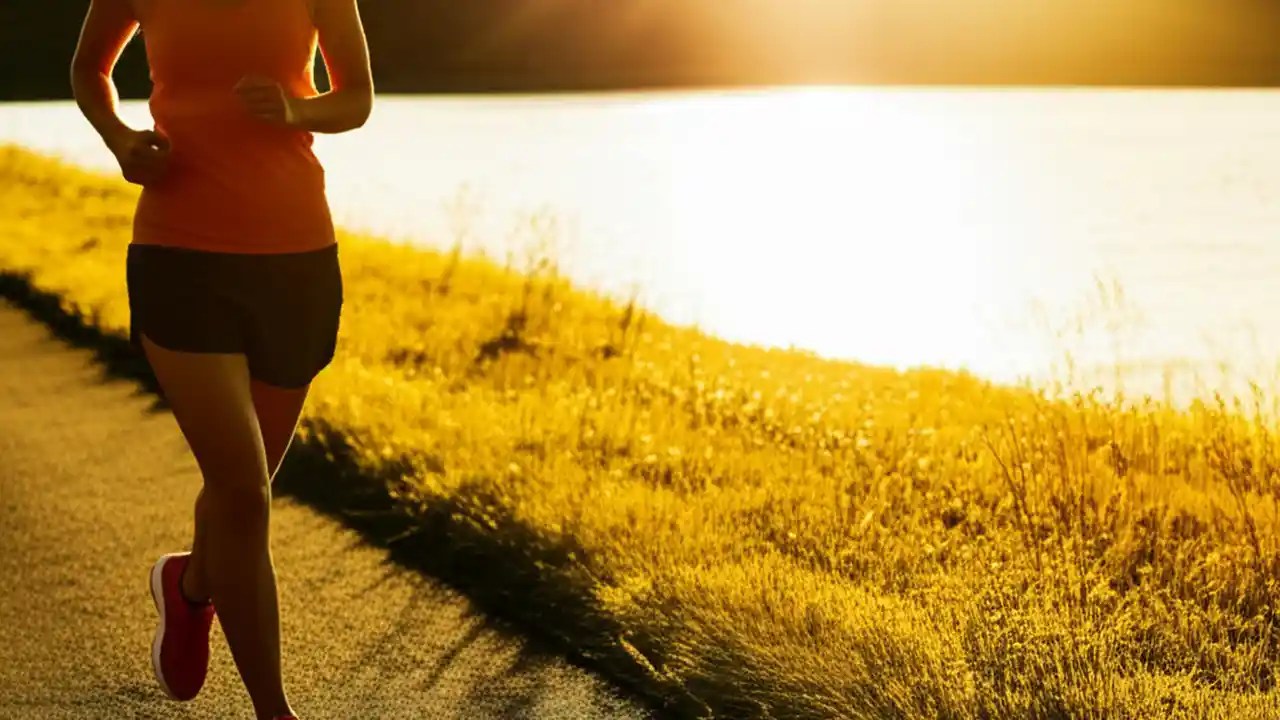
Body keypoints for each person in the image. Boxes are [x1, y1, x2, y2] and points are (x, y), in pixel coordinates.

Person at [70, 1, 373, 718]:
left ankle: (191, 585)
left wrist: (298, 114)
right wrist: (119, 139)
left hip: (296, 262)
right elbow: (89, 69)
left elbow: (357, 98)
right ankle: (275, 710)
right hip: (179, 253)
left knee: (241, 495)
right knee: (241, 492)